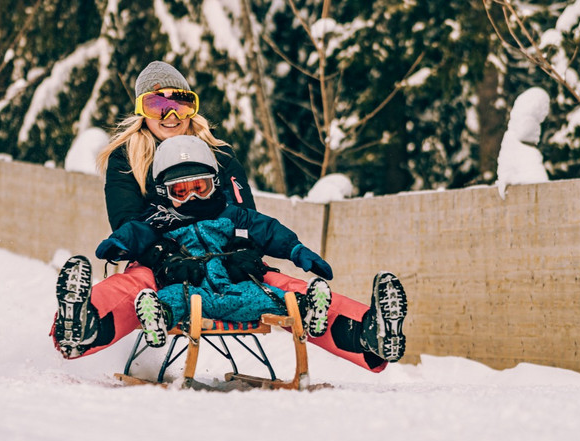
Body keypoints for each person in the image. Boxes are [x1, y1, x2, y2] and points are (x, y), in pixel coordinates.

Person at [51, 60, 407, 369]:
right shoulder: (128, 157)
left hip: (224, 256)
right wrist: (161, 253)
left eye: (181, 103)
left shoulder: (219, 157)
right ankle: (82, 325)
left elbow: (246, 217)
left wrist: (244, 255)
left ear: (192, 109)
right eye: (158, 104)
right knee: (136, 286)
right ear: (143, 110)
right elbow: (126, 222)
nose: (170, 115)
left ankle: (367, 333)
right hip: (162, 257)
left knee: (286, 289)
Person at [88, 134, 334, 348]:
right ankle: (158, 318)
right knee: (172, 297)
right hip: (189, 289)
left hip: (231, 287)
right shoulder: (160, 220)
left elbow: (266, 229)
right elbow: (137, 232)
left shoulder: (230, 214)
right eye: (180, 192)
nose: (193, 197)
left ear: (214, 184)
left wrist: (296, 249)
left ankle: (307, 309)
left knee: (265, 294)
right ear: (165, 193)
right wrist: (118, 245)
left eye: (200, 187)